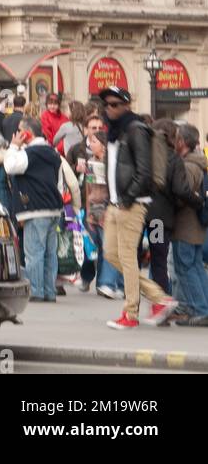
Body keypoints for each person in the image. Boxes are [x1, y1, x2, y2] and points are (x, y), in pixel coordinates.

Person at [97, 86, 177, 329]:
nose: (109, 108)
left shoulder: (135, 130)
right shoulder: (114, 132)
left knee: (129, 258)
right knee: (112, 254)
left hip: (132, 204)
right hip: (115, 203)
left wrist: (127, 199)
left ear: (126, 105)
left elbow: (143, 172)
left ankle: (130, 314)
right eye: (106, 104)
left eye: (114, 104)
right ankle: (160, 299)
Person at [4, 117, 65, 302]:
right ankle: (49, 290)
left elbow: (9, 166)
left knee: (35, 253)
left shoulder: (28, 154)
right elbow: (59, 182)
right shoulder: (53, 153)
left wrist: (14, 146)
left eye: (20, 131)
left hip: (35, 209)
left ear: (27, 133)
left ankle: (37, 291)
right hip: (53, 209)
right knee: (49, 253)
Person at [68, 114, 122, 297]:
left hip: (108, 209)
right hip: (91, 210)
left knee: (108, 248)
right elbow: (87, 189)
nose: (92, 144)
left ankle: (107, 283)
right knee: (92, 247)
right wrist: (87, 213)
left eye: (99, 130)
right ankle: (94, 279)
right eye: (93, 129)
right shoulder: (83, 154)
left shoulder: (112, 162)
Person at [168, 122, 208, 326]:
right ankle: (201, 307)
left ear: (181, 142)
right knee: (196, 267)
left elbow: (183, 195)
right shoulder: (200, 163)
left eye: (175, 138)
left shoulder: (188, 166)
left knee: (186, 268)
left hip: (186, 227)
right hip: (197, 227)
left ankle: (199, 309)